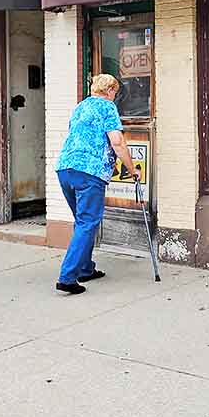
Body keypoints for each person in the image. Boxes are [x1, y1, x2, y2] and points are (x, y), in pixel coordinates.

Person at [55, 73, 136, 295]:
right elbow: (117, 141)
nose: (115, 96)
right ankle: (67, 277)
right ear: (109, 90)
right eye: (115, 92)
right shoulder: (107, 107)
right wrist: (131, 168)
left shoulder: (80, 107)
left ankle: (85, 268)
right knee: (87, 222)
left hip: (65, 169)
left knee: (83, 222)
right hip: (89, 172)